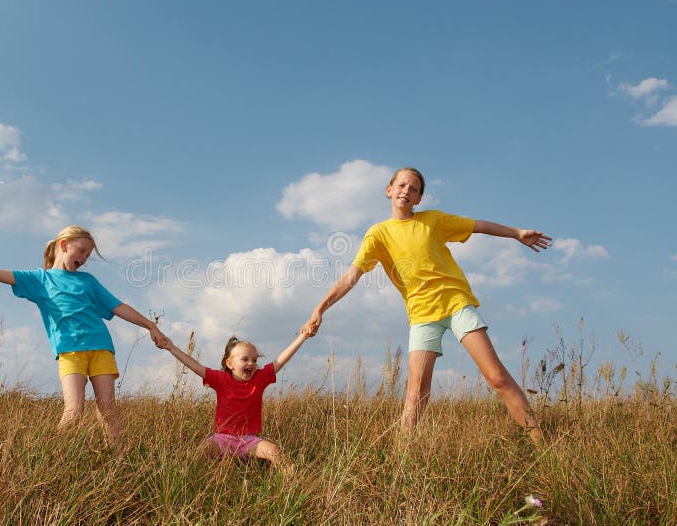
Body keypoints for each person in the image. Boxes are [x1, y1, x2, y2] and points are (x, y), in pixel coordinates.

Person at [301, 167, 550, 444]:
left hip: (456, 304)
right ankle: (402, 461)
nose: (407, 191)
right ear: (389, 190)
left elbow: (478, 226)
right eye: (402, 185)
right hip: (421, 315)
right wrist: (319, 308)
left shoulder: (434, 220)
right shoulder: (378, 234)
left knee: (496, 376)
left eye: (414, 189)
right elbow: (352, 275)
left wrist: (517, 233)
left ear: (419, 199)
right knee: (416, 390)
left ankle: (542, 447)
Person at [0, 225, 168, 444]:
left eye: (87, 255)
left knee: (108, 409)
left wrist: (150, 326)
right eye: (81, 251)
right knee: (73, 412)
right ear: (64, 245)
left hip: (101, 347)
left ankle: (117, 459)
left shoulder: (87, 281)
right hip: (70, 353)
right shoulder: (40, 279)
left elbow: (118, 306)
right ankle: (49, 456)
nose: (83, 258)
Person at [160, 332, 308, 470]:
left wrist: (302, 337)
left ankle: (291, 478)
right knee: (200, 452)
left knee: (274, 451)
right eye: (245, 359)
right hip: (222, 439)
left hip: (249, 441)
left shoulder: (259, 379)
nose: (251, 363)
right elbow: (195, 366)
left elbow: (281, 360)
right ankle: (187, 476)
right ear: (230, 364)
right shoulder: (221, 379)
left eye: (254, 360)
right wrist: (171, 347)